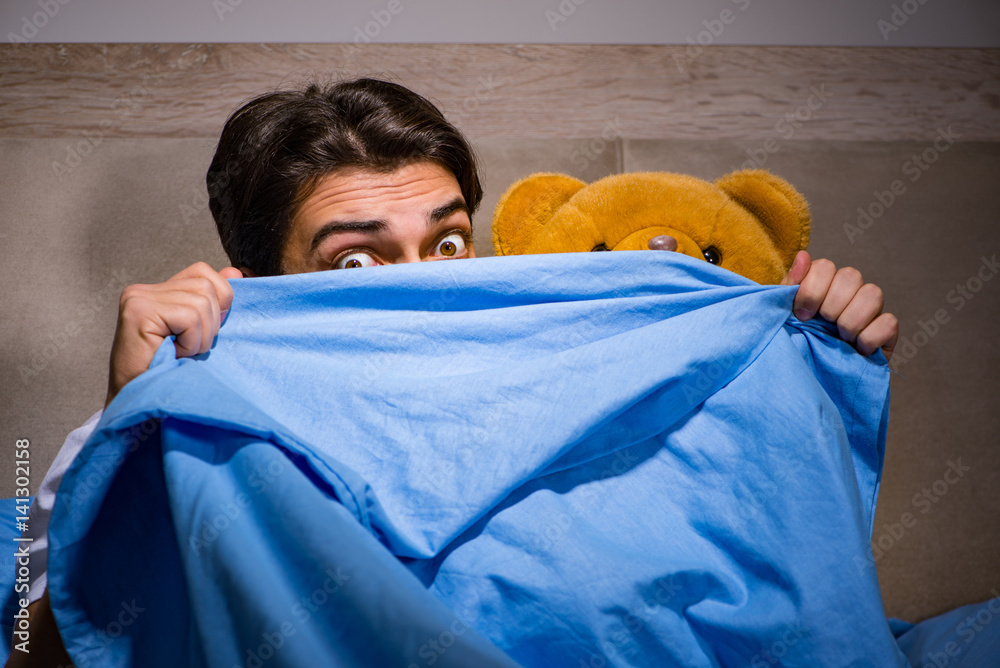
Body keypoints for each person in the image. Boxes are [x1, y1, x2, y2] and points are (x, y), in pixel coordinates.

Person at [7, 77, 899, 667]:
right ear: (259, 288)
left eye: (445, 241)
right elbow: (35, 651)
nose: (425, 282)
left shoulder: (584, 368)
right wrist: (135, 415)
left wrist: (802, 353)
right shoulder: (180, 416)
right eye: (355, 264)